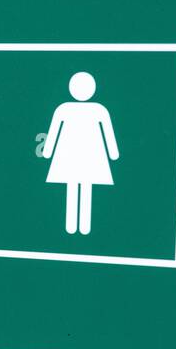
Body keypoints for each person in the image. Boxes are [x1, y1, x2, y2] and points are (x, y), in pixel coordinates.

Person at [40, 71, 119, 235]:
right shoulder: (70, 109)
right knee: (79, 187)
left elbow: (108, 132)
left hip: (85, 155)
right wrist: (113, 154)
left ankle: (80, 226)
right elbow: (54, 131)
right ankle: (76, 226)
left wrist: (47, 152)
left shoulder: (94, 110)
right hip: (79, 155)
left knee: (80, 187)